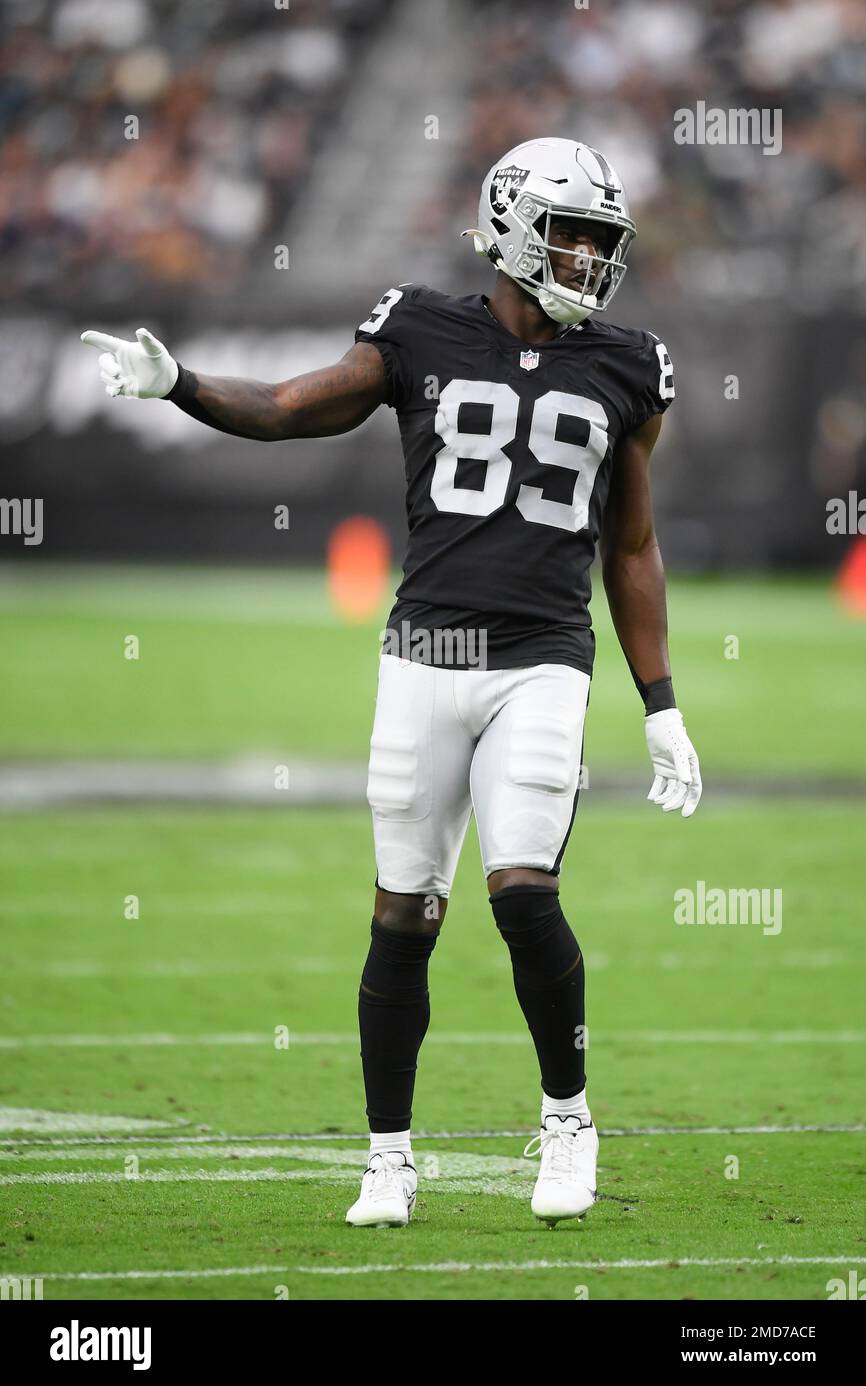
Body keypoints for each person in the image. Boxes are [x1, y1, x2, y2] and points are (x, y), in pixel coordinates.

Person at [82, 137, 702, 1230]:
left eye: (599, 239)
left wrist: (660, 706)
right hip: (424, 659)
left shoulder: (623, 363)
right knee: (401, 914)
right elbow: (286, 405)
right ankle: (388, 1158)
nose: (587, 256)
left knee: (522, 890)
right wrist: (179, 384)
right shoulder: (418, 325)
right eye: (569, 232)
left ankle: (566, 1117)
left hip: (541, 663)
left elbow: (632, 547)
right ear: (509, 228)